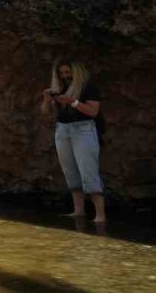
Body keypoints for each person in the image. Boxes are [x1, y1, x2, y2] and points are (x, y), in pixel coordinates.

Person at [40, 59, 105, 222]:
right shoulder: (60, 88)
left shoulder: (88, 88)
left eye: (68, 73)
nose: (65, 76)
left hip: (84, 129)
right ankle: (79, 210)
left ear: (76, 72)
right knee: (69, 170)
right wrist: (47, 99)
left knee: (88, 170)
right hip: (63, 130)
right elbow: (45, 112)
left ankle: (100, 215)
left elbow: (93, 112)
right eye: (61, 74)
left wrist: (73, 102)